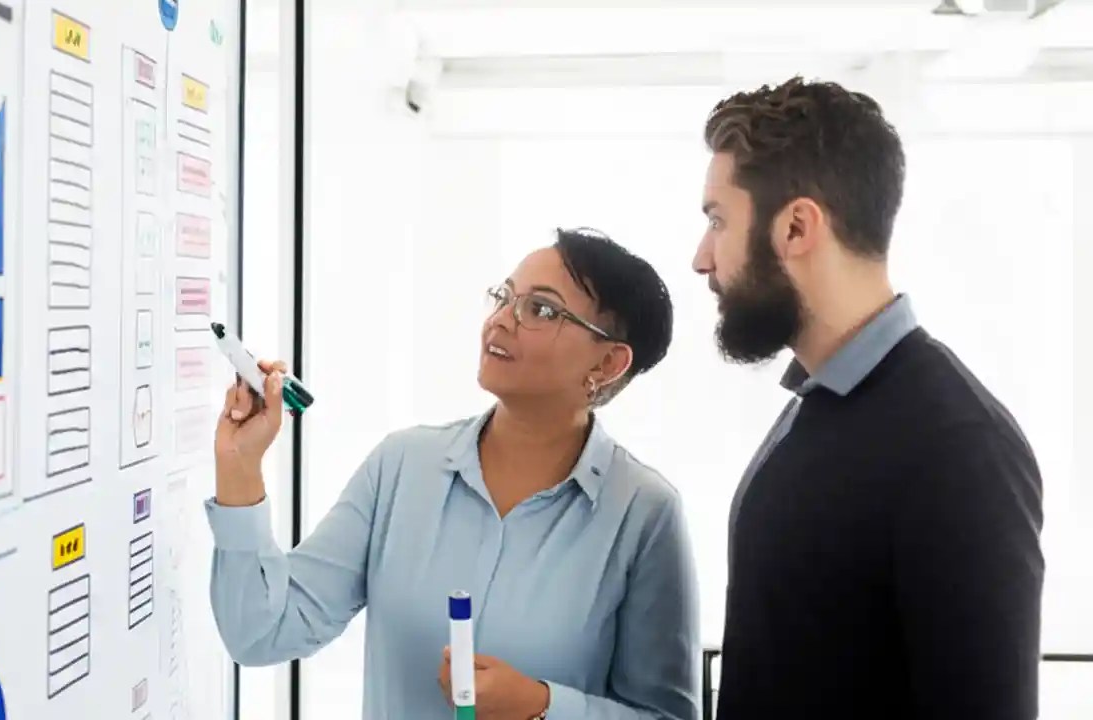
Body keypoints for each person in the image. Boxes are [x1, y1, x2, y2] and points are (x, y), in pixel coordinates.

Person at [207, 227, 700, 720]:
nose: (501, 321)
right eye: (505, 297)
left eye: (541, 310)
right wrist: (239, 469)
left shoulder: (644, 512)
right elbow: (260, 633)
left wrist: (543, 707)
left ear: (609, 362)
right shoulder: (400, 467)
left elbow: (667, 716)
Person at [692, 76, 1044, 719]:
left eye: (717, 221)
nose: (701, 258)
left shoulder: (961, 446)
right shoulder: (817, 403)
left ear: (797, 226)